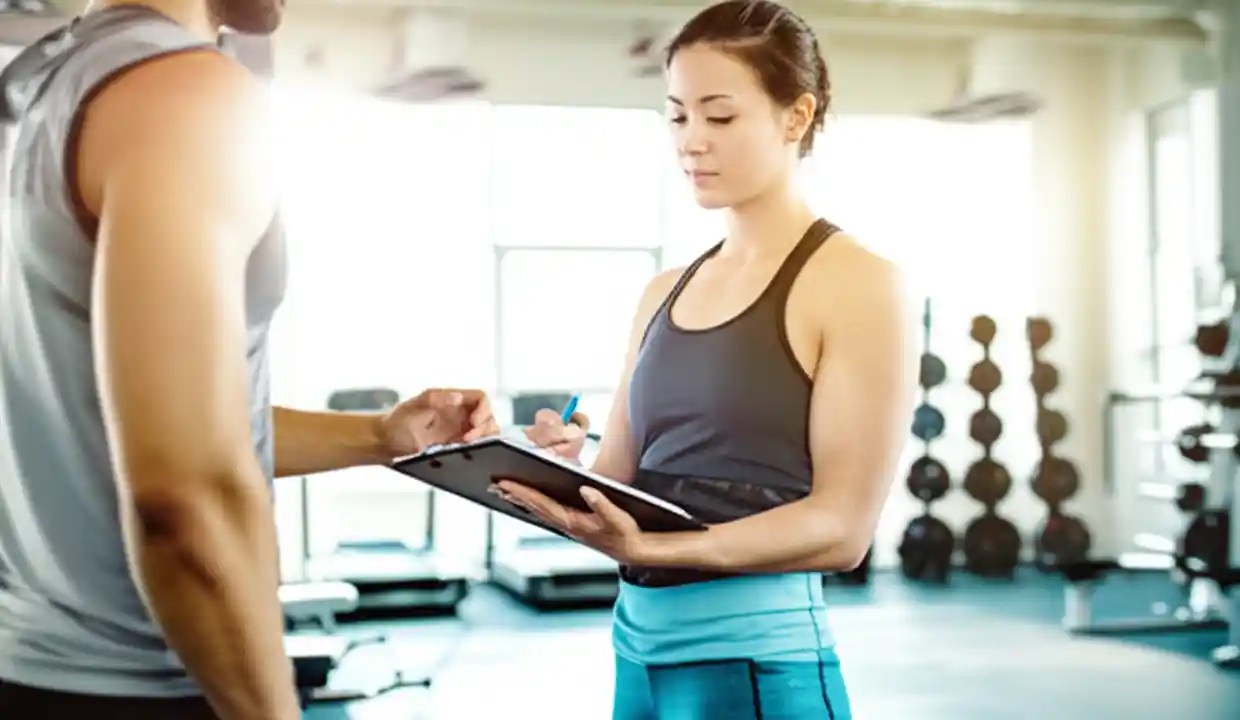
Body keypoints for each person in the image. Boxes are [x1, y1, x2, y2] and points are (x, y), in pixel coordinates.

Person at [0, 1, 501, 718]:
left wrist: (376, 437)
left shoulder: (36, 87)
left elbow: (120, 417)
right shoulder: (183, 91)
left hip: (32, 670)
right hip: (148, 684)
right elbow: (185, 489)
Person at [501, 1, 918, 718]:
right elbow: (619, 481)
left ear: (796, 117)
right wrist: (561, 468)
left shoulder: (858, 282)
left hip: (761, 668)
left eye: (719, 117)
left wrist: (656, 552)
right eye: (677, 116)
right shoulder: (662, 292)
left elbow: (843, 529)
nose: (692, 141)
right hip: (636, 657)